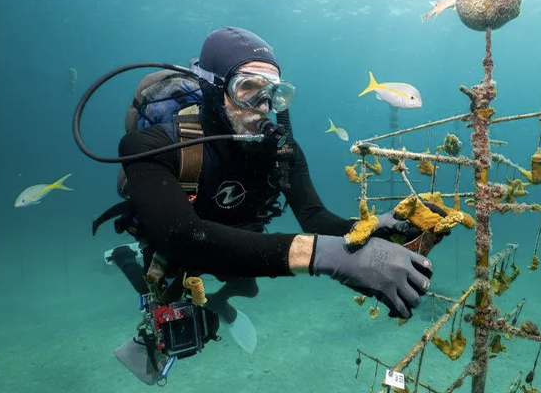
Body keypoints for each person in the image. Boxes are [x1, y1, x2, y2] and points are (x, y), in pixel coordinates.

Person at [112, 26, 438, 332]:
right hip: (176, 245)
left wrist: (375, 229)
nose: (263, 106)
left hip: (239, 241)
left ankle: (220, 300)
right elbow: (184, 237)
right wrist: (328, 257)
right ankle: (124, 257)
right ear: (213, 88)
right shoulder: (150, 146)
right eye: (247, 88)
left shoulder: (282, 150)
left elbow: (315, 218)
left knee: (246, 285)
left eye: (272, 94)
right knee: (162, 297)